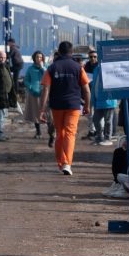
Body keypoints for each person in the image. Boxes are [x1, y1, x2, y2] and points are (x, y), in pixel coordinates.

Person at [43, 41, 90, 175]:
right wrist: (87, 106)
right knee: (70, 133)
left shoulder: (52, 68)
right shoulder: (78, 67)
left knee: (60, 134)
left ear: (59, 51)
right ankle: (67, 164)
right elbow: (86, 90)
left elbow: (46, 89)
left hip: (56, 105)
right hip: (74, 105)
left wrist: (42, 109)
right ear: (71, 52)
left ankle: (61, 162)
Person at [21, 51, 48, 139]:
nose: (39, 59)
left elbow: (48, 77)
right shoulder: (30, 69)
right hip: (34, 93)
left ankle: (51, 131)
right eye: (37, 57)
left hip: (45, 93)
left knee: (48, 113)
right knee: (36, 113)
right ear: (34, 58)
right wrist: (31, 87)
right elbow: (26, 81)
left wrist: (42, 68)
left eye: (40, 57)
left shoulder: (46, 68)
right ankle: (38, 131)